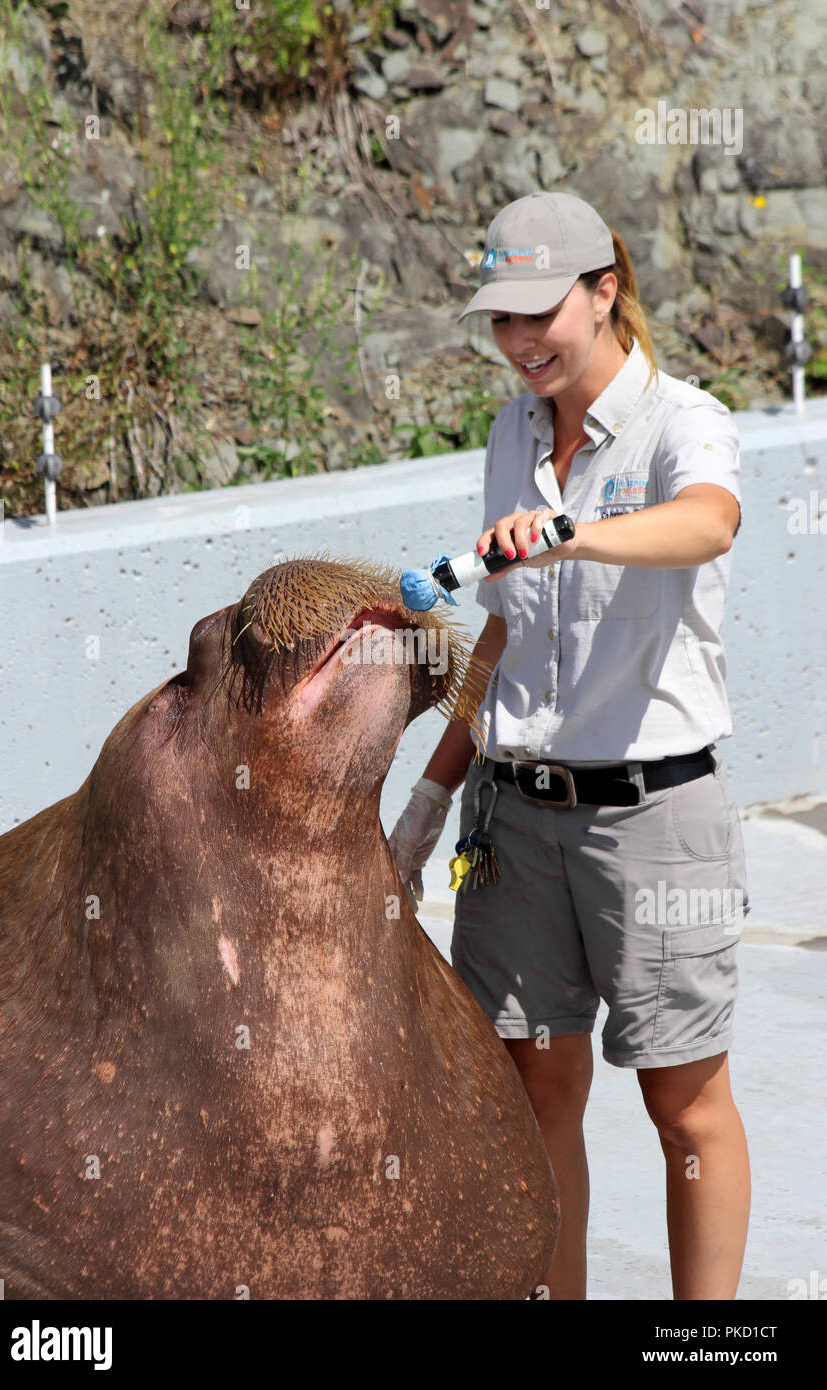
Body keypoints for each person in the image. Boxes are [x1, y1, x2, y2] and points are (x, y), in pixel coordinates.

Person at [390, 191, 750, 1301]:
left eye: (537, 313)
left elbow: (709, 519)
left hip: (650, 821)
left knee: (679, 1101)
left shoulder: (681, 420)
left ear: (604, 290)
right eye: (498, 319)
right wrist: (425, 806)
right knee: (527, 1091)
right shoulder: (511, 431)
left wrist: (572, 533)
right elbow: (499, 628)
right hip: (514, 817)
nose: (517, 342)